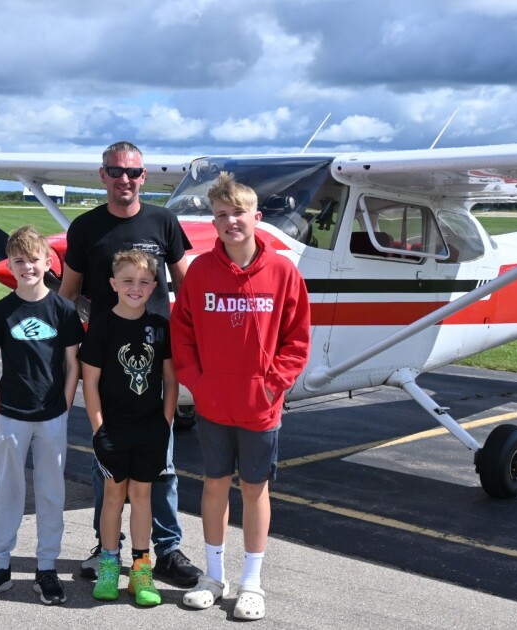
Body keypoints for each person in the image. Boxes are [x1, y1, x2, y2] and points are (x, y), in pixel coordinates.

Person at [60, 140, 202, 587]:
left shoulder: (164, 221)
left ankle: (167, 549)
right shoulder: (85, 228)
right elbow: (67, 295)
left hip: (155, 355)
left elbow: (189, 290)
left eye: (134, 173)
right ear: (102, 175)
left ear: (144, 177)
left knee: (162, 468)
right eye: (116, 172)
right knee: (107, 466)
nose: (126, 180)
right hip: (107, 362)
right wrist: (56, 352)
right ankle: (108, 550)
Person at [170, 173, 311, 621]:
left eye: (238, 213)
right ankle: (214, 577)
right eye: (221, 215)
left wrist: (273, 384)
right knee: (214, 486)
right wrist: (198, 382)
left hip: (260, 406)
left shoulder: (284, 271)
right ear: (214, 220)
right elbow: (183, 334)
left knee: (254, 489)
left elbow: (297, 340)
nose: (231, 221)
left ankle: (252, 582)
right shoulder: (200, 272)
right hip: (214, 404)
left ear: (257, 216)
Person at [0, 226, 83, 606]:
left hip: (52, 416)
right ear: (10, 264)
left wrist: (65, 408)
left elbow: (72, 364)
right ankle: (0, 567)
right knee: (8, 492)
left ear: (48, 262)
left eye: (34, 259)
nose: (27, 267)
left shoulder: (64, 310)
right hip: (12, 416)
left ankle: (46, 568)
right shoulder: (1, 311)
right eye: (18, 260)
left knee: (52, 494)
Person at [79, 250, 178, 605]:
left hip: (150, 428)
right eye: (127, 281)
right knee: (112, 496)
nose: (135, 288)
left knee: (142, 497)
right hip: (114, 428)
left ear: (153, 286)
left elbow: (169, 380)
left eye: (143, 282)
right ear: (113, 284)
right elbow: (89, 382)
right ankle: (109, 564)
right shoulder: (102, 326)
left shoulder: (160, 327)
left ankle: (141, 570)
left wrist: (165, 423)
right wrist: (98, 427)